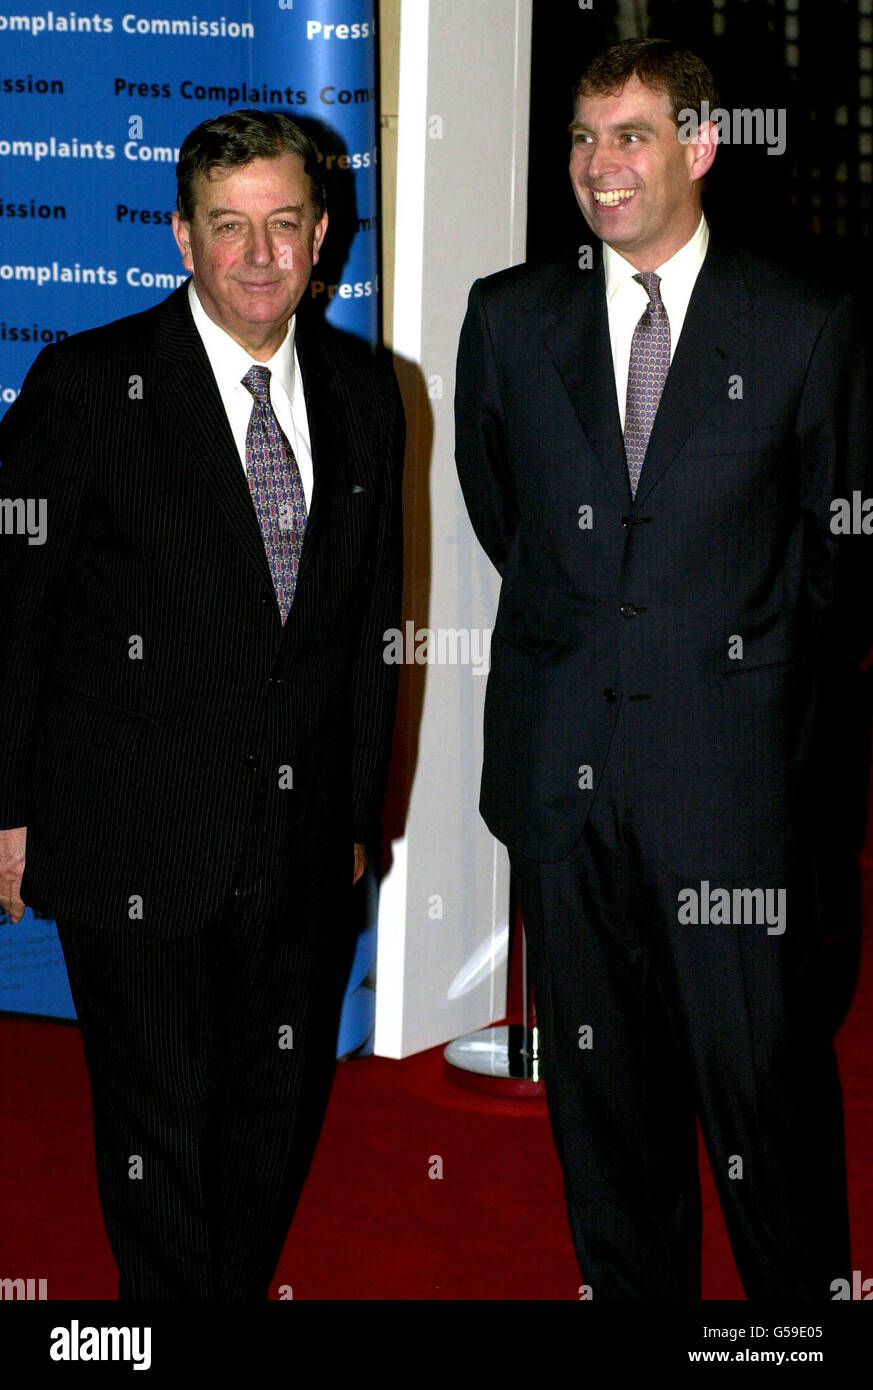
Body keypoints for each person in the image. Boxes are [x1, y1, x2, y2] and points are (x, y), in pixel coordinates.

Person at [455, 38, 871, 1299]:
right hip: (565, 787)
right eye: (583, 139)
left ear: (700, 146)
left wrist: (729, 665)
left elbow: (846, 547)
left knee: (763, 1099)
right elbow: (504, 514)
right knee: (607, 1105)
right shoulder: (510, 316)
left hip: (735, 796)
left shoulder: (805, 320)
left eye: (631, 135)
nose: (599, 166)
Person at [0, 109, 404, 1300]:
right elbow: (11, 618)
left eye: (285, 224)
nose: (261, 255)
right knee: (159, 1140)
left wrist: (353, 820)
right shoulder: (87, 388)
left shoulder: (366, 393)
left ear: (323, 234)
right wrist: (7, 813)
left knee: (273, 1120)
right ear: (182, 236)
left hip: (297, 846)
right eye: (230, 227)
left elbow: (370, 633)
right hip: (135, 835)